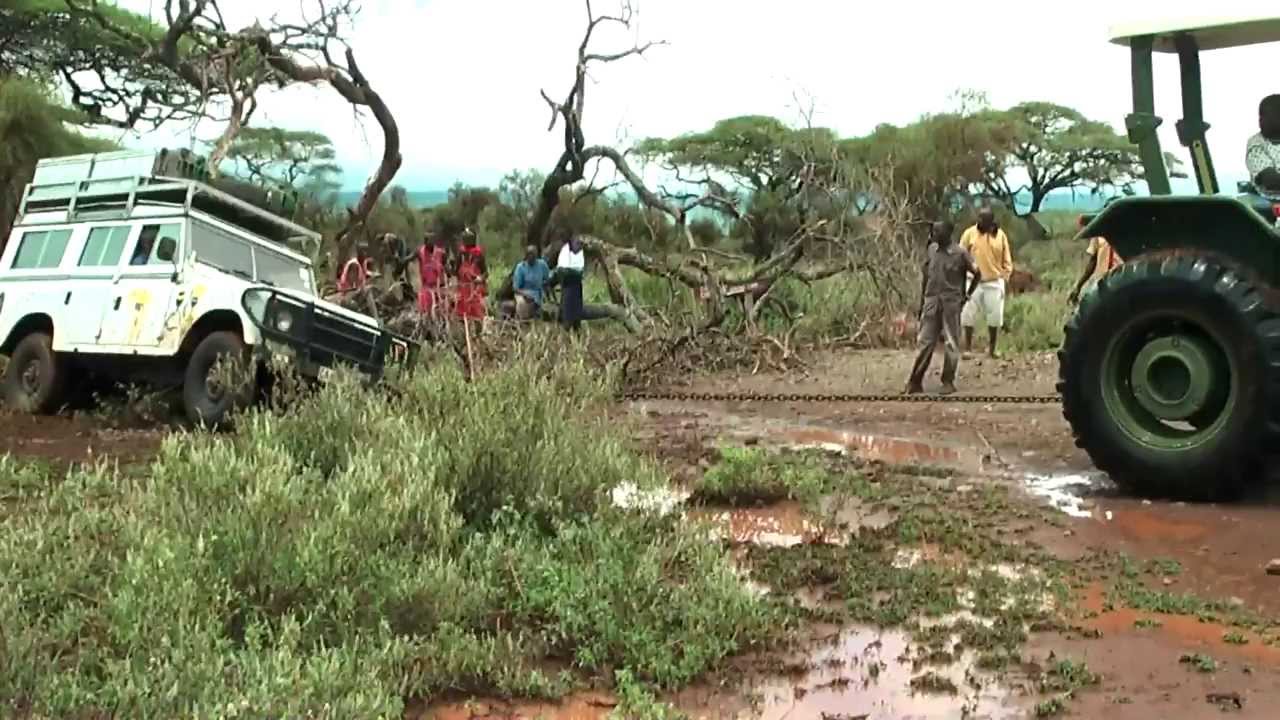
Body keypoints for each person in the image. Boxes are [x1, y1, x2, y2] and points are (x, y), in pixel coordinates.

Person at [906, 221, 980, 395]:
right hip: (931, 301)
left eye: (937, 231)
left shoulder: (961, 254)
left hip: (951, 303)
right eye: (933, 231)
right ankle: (914, 381)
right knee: (925, 342)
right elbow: (926, 276)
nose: (934, 234)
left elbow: (977, 273)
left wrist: (967, 295)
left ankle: (948, 381)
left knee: (951, 343)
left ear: (948, 233)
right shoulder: (932, 250)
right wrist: (922, 301)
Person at [959, 207, 1013, 359]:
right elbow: (960, 255)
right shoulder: (969, 234)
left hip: (994, 281)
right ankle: (967, 348)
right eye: (979, 218)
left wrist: (1005, 276)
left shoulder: (1000, 235)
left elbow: (1007, 258)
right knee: (968, 314)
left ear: (990, 222)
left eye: (983, 220)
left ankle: (992, 349)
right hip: (972, 280)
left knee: (995, 316)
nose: (979, 222)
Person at [1068, 221, 1122, 304]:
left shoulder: (1126, 234)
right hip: (1103, 283)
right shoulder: (1098, 235)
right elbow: (1093, 261)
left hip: (1121, 281)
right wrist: (1078, 286)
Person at [1246, 94, 1280, 200]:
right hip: (1269, 204)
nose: (1260, 121)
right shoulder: (1256, 144)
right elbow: (1270, 182)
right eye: (1261, 116)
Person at [453, 228, 488, 320]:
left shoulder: (478, 253)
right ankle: (465, 332)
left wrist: (480, 278)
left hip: (475, 290)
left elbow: (485, 272)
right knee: (462, 315)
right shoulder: (461, 253)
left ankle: (478, 333)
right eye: (465, 239)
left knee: (477, 314)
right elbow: (456, 271)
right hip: (463, 289)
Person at [554, 233, 586, 330]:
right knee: (567, 305)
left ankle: (576, 325)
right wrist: (573, 272)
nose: (579, 247)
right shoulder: (565, 251)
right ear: (572, 243)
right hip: (567, 282)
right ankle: (566, 325)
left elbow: (580, 270)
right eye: (578, 244)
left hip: (576, 283)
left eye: (581, 245)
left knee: (577, 306)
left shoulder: (580, 252)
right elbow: (563, 270)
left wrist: (573, 272)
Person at [512, 245, 552, 320]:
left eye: (533, 255)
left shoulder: (542, 265)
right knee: (522, 303)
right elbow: (515, 288)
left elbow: (547, 280)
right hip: (523, 293)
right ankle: (522, 321)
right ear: (526, 256)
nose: (531, 257)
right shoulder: (521, 267)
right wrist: (525, 295)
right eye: (529, 255)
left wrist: (548, 295)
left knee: (548, 308)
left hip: (537, 293)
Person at [416, 232, 449, 317]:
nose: (430, 243)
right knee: (427, 311)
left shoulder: (441, 253)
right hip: (427, 288)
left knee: (442, 311)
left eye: (432, 241)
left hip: (440, 287)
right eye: (428, 241)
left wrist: (449, 273)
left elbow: (447, 268)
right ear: (425, 242)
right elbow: (409, 259)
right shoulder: (420, 252)